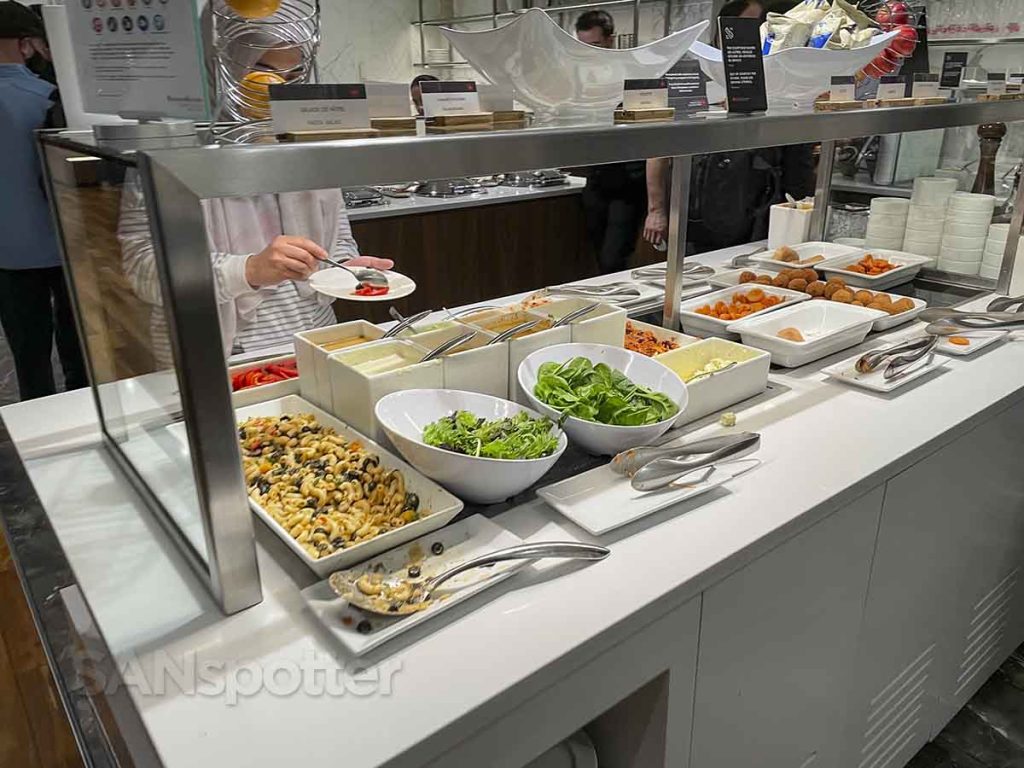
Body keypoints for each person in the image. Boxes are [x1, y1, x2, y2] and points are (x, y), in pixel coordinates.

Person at [119, 30, 394, 367]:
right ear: (222, 69)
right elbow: (142, 270)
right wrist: (249, 269)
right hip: (215, 353)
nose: (278, 90)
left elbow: (337, 240)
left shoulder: (308, 147)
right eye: (262, 71)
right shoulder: (173, 151)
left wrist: (344, 269)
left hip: (315, 339)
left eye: (293, 76)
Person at [643, 0, 815, 254]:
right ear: (725, 31)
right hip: (702, 220)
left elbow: (797, 166)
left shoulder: (782, 84)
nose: (759, 35)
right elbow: (660, 148)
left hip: (761, 220)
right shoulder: (695, 75)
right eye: (751, 26)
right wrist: (656, 210)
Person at [0, 2, 86, 400]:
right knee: (79, 351)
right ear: (26, 45)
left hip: (6, 257)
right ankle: (80, 422)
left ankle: (36, 428)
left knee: (29, 355)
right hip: (63, 245)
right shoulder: (50, 97)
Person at [574, 10, 649, 274]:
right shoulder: (582, 79)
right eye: (583, 46)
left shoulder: (636, 73)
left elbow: (650, 126)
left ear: (610, 40)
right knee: (595, 256)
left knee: (613, 259)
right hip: (596, 179)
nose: (590, 53)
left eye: (594, 45)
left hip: (629, 184)